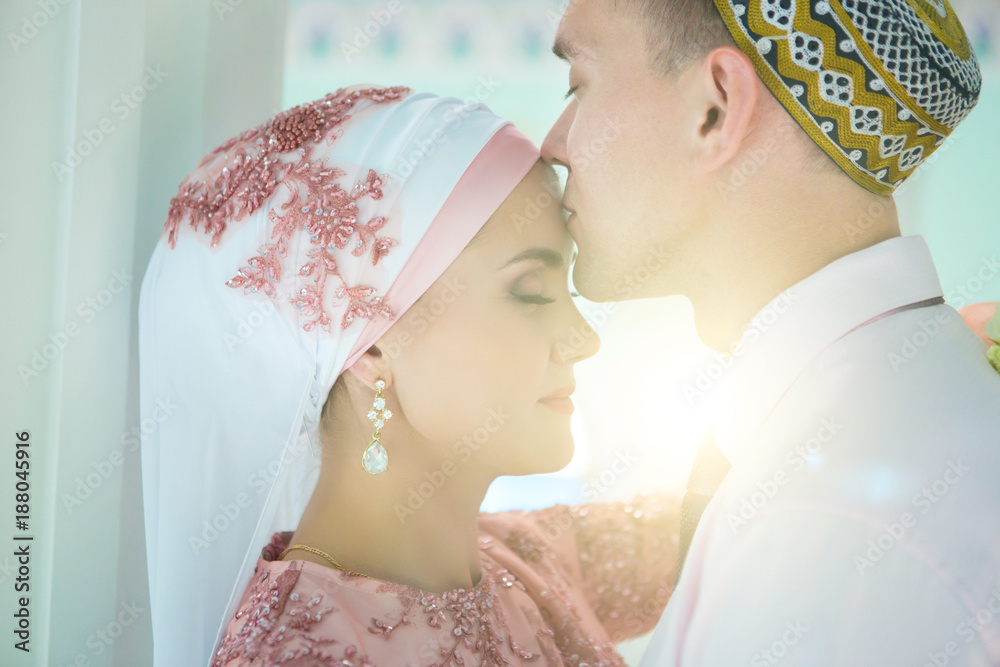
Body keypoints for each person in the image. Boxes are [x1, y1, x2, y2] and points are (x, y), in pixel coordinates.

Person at [139, 85, 681, 666]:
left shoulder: (528, 560)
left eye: (566, 288)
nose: (585, 338)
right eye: (530, 291)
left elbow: (709, 518)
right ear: (371, 348)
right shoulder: (297, 655)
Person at [541, 0, 1000, 664]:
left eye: (577, 85)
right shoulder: (899, 415)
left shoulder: (827, 532)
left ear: (716, 109)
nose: (552, 144)